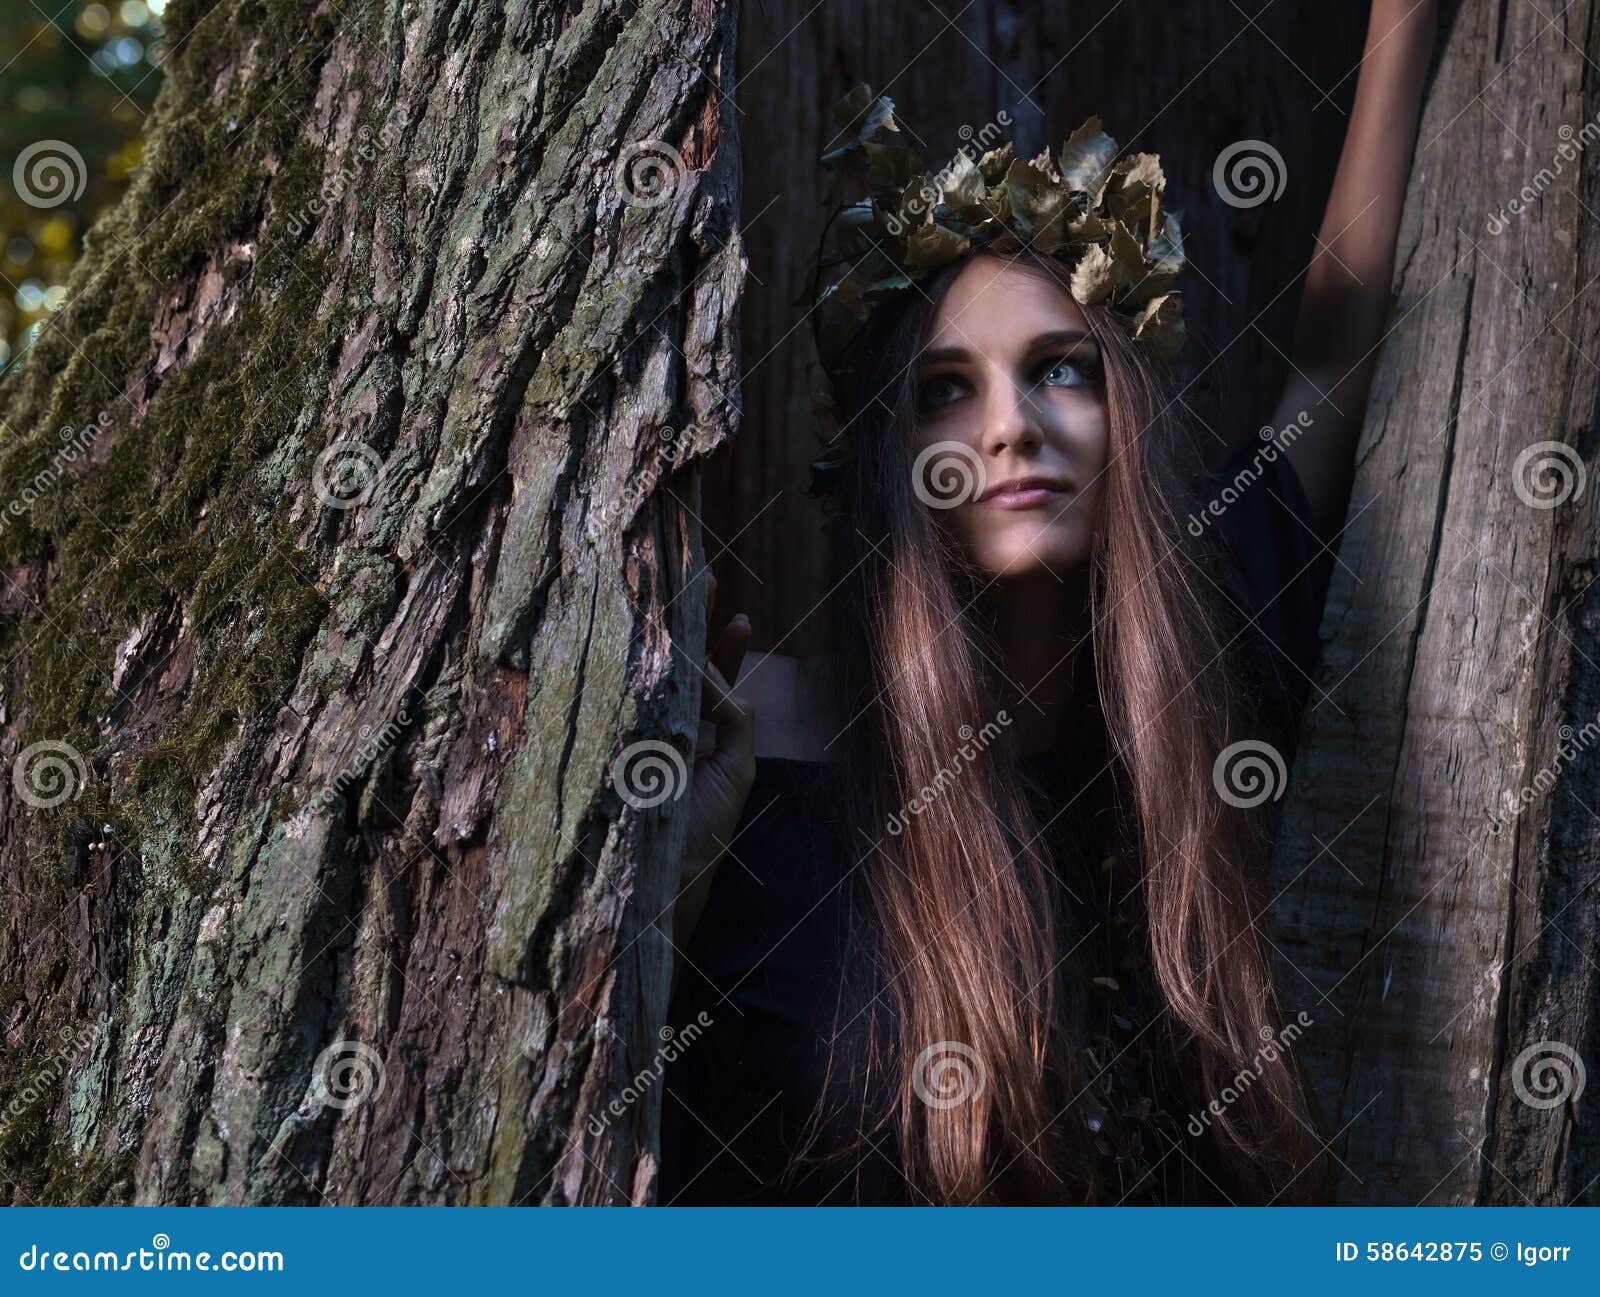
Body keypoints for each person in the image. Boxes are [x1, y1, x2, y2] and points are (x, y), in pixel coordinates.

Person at [661, 0, 1439, 1206]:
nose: (1011, 424)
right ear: (890, 468)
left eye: (1059, 370)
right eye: (945, 392)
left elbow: (1334, 356)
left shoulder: (1196, 660)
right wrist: (682, 873)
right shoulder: (768, 768)